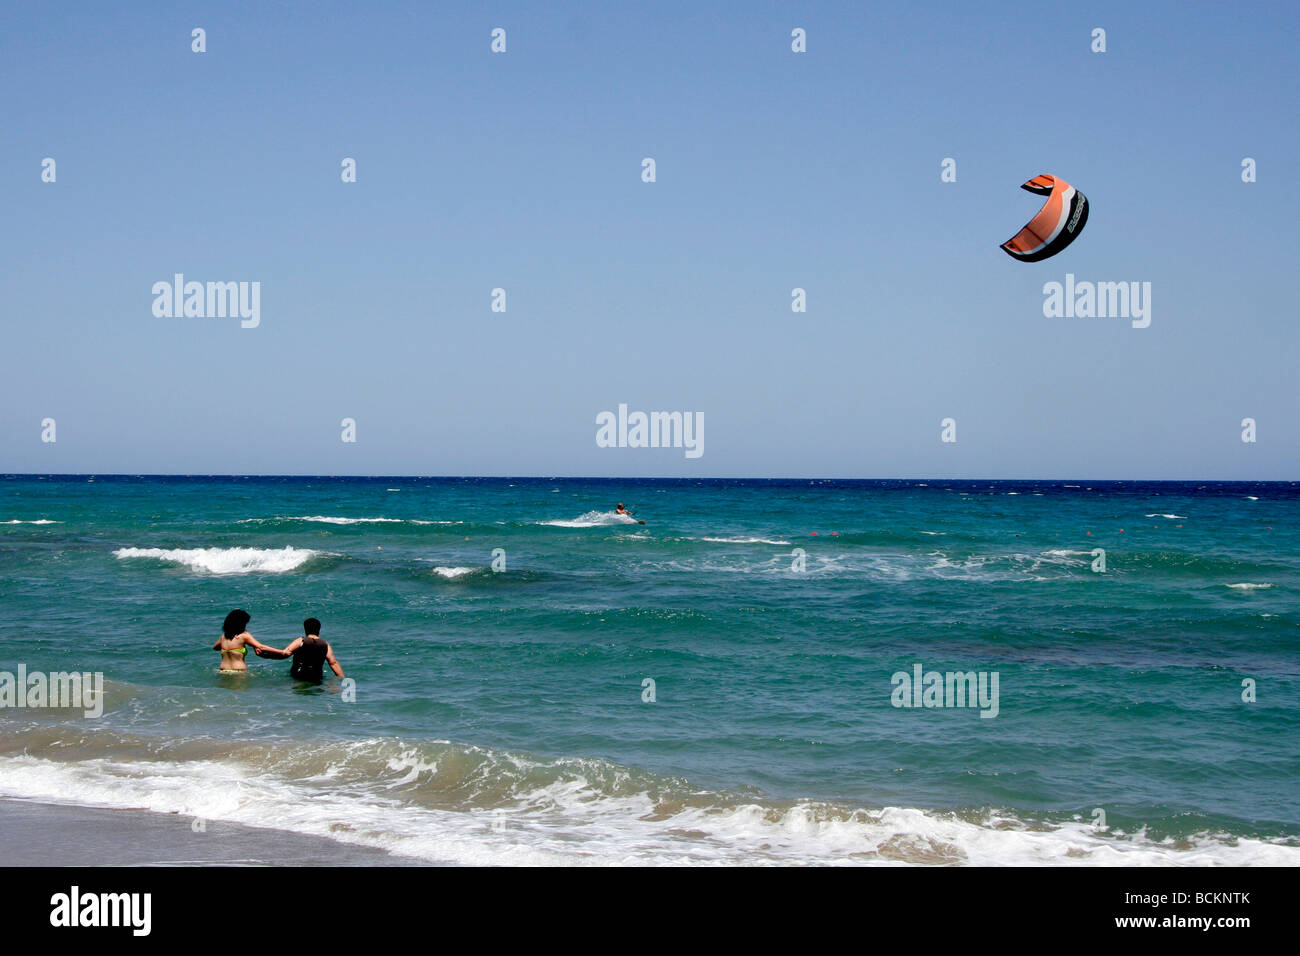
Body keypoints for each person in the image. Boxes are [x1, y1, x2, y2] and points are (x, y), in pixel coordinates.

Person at [258, 618, 344, 684]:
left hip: (299, 674)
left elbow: (285, 654)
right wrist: (342, 679)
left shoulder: (301, 641)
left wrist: (267, 655)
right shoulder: (325, 644)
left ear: (305, 629)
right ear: (319, 630)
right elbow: (333, 663)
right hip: (316, 676)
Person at [212, 609, 281, 673]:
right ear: (240, 624)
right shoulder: (244, 636)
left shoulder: (223, 637)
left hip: (223, 671)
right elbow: (261, 647)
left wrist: (228, 648)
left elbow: (215, 648)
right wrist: (282, 652)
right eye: (244, 623)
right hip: (238, 671)